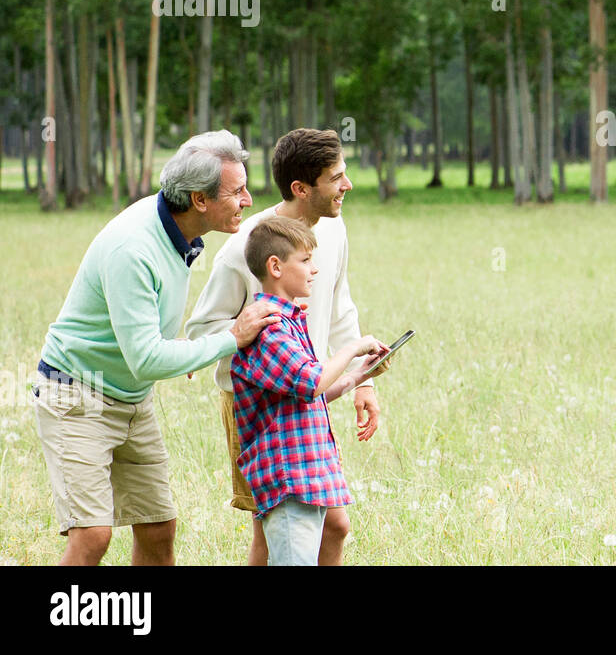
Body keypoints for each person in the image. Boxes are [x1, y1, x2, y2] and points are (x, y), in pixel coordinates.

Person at [33, 130, 277, 566]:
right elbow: (145, 359)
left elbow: (145, 335)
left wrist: (181, 347)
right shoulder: (135, 246)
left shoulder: (182, 227)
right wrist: (231, 338)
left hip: (131, 399)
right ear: (199, 199)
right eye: (237, 191)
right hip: (77, 392)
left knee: (158, 527)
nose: (248, 200)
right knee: (91, 536)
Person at [186, 127, 382, 565]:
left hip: (309, 393)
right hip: (257, 405)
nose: (347, 186)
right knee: (271, 530)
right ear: (301, 188)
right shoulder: (248, 246)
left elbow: (339, 305)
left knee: (333, 524)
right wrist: (243, 328)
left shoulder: (332, 231)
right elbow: (201, 329)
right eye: (337, 178)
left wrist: (363, 385)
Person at [230, 217, 386, 565]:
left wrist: (360, 375)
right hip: (289, 479)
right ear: (276, 267)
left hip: (308, 476)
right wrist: (353, 348)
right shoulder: (269, 329)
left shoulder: (289, 323)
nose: (315, 270)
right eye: (305, 260)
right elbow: (311, 381)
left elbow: (310, 396)